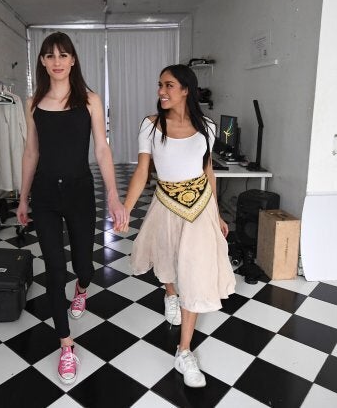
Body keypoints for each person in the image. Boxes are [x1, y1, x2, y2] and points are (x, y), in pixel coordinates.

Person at [114, 64, 236, 388]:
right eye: (159, 85)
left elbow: (208, 171)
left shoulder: (207, 127)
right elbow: (142, 172)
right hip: (167, 204)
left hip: (200, 209)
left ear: (186, 90)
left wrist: (218, 213)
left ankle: (184, 351)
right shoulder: (151, 126)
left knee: (195, 274)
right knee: (168, 261)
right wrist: (125, 208)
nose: (161, 91)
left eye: (168, 85)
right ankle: (170, 293)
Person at [16, 32, 125, 385]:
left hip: (80, 192)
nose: (57, 61)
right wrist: (22, 197)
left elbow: (102, 150)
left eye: (64, 55)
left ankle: (82, 290)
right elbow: (31, 152)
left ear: (73, 60)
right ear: (43, 62)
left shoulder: (89, 99)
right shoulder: (32, 102)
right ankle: (66, 346)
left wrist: (113, 194)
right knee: (53, 267)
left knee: (82, 265)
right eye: (50, 56)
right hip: (45, 195)